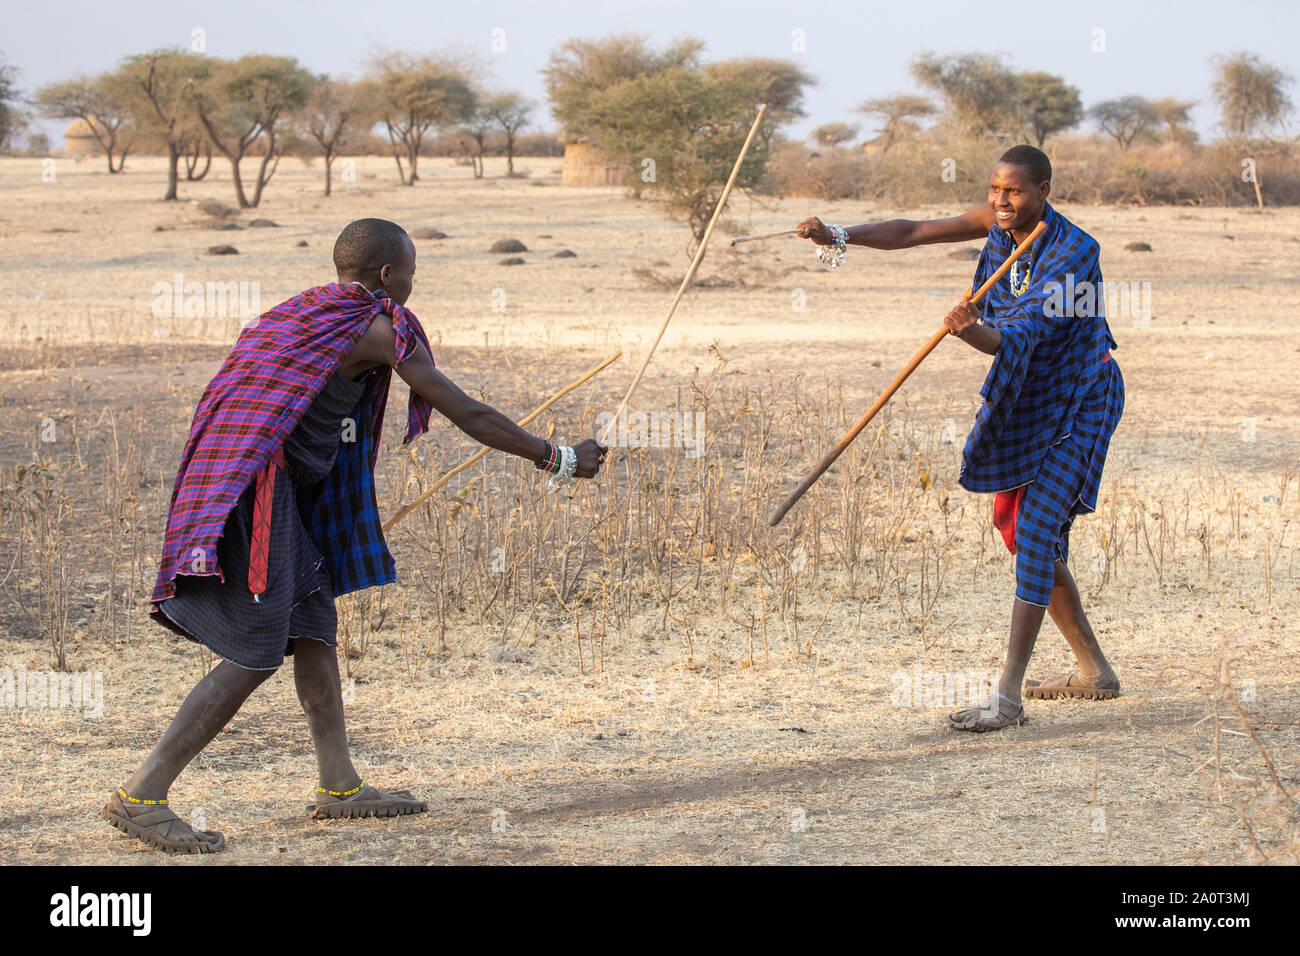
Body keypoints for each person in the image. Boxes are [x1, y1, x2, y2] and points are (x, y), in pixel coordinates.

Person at [103, 218, 606, 852]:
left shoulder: (302, 313)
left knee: (312, 626)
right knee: (256, 651)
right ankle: (141, 794)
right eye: (412, 275)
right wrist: (556, 457)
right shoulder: (372, 327)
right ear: (389, 275)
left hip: (261, 483)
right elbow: (464, 408)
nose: (413, 288)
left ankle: (339, 786)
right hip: (258, 492)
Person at [797, 145, 1124, 732]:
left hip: (1080, 395)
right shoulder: (997, 222)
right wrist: (839, 234)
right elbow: (916, 230)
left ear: (1044, 190)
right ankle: (1094, 672)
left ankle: (1007, 697)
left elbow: (1023, 337)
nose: (1000, 201)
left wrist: (973, 334)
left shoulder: (1076, 252)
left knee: (1036, 531)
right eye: (995, 189)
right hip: (1030, 395)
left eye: (1015, 192)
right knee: (1026, 532)